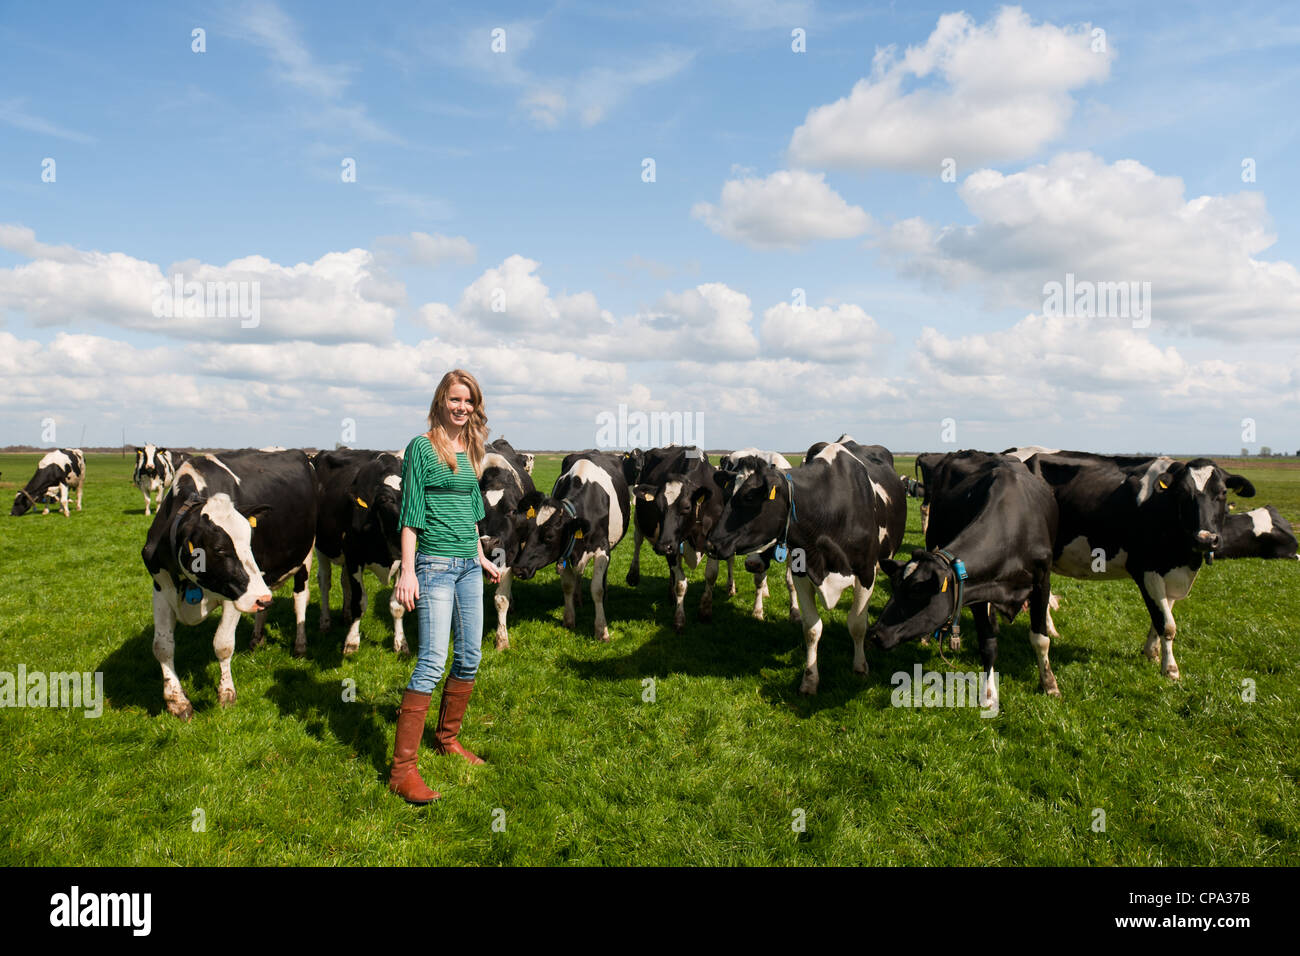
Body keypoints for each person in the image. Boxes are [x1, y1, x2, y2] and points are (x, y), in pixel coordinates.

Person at [388, 369, 500, 804]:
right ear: (441, 401)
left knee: (470, 657)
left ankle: (447, 738)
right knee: (432, 661)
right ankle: (402, 771)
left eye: (469, 401)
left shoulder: (471, 447)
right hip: (433, 565)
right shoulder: (422, 447)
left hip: (468, 566)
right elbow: (411, 512)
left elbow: (472, 512)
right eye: (455, 399)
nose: (462, 407)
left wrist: (480, 556)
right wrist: (409, 570)